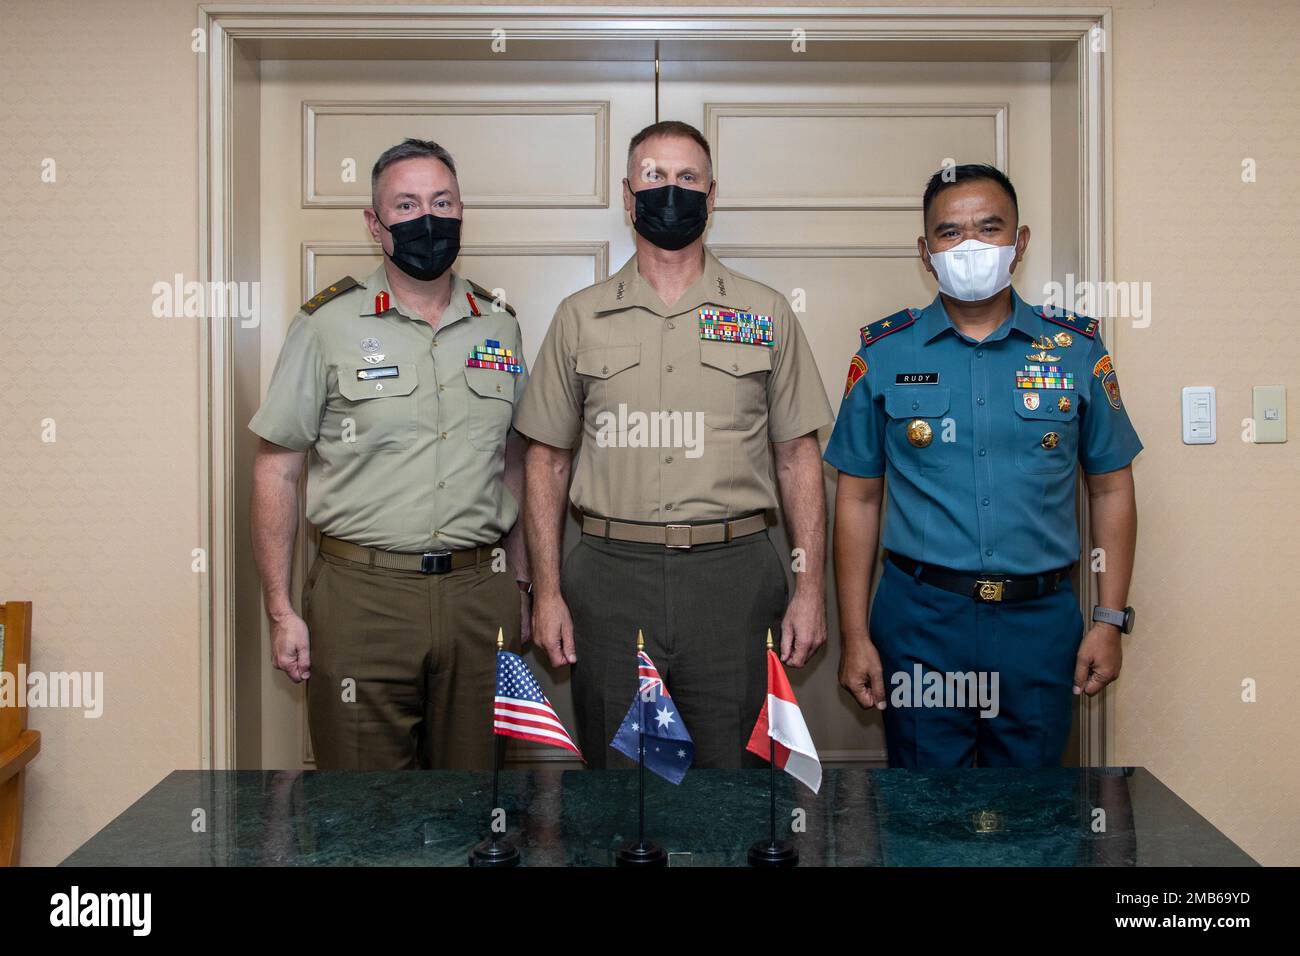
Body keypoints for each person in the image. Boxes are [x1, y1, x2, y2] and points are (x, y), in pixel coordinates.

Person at [516, 121, 834, 769]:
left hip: (734, 580)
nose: (671, 191)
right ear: (628, 195)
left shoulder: (763, 311)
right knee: (624, 786)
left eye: (687, 178)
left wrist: (808, 588)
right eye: (655, 177)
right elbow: (546, 461)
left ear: (711, 196)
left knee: (732, 789)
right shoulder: (580, 315)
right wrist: (547, 593)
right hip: (608, 577)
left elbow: (797, 456)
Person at [827, 163, 1141, 768]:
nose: (970, 245)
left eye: (989, 228)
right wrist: (856, 635)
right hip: (920, 623)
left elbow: (1110, 489)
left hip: (1040, 624)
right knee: (926, 818)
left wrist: (1108, 619)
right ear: (926, 252)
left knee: (1032, 821)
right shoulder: (884, 354)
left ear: (1019, 243)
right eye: (950, 233)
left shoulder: (1075, 351)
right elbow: (858, 497)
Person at [249, 138, 531, 769]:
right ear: (375, 225)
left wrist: (520, 582)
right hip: (361, 598)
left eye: (441, 201)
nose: (426, 218)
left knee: (474, 800)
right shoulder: (326, 326)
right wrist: (280, 609)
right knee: (362, 814)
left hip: (477, 598)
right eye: (405, 205)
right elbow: (277, 466)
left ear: (462, 212)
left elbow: (512, 458)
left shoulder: (499, 324)